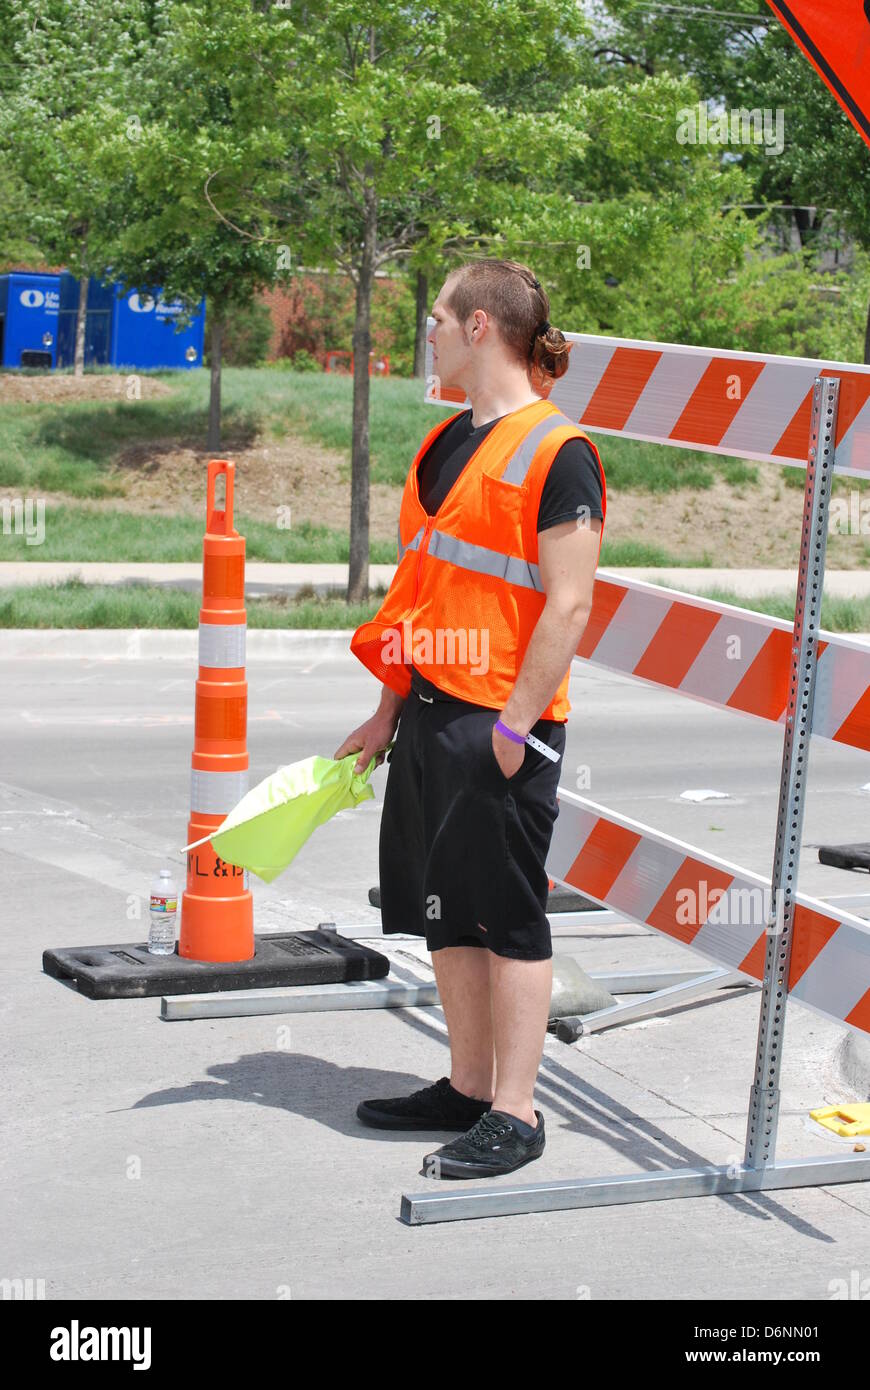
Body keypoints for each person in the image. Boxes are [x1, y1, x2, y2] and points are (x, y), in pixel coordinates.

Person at [333, 258, 605, 1179]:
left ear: (482, 327)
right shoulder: (440, 446)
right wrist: (386, 711)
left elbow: (568, 606)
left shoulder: (559, 452)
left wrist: (514, 726)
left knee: (508, 923)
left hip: (502, 725)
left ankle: (517, 1113)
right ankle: (465, 1085)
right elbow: (420, 593)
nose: (432, 334)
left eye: (439, 318)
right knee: (444, 916)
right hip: (431, 718)